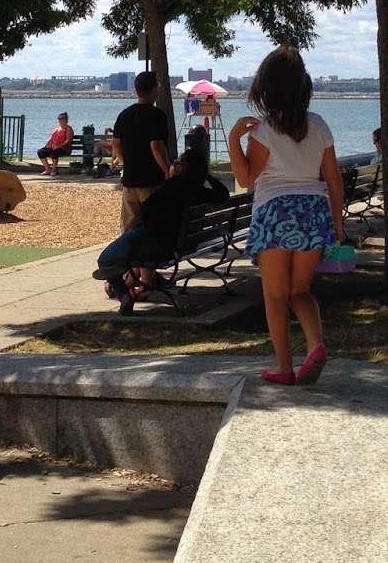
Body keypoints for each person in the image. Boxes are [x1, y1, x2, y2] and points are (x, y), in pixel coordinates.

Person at [227, 47, 343, 387]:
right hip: (313, 211)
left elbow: (246, 178)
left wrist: (234, 138)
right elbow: (333, 179)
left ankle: (283, 366)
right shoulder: (319, 125)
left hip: (275, 212)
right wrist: (336, 224)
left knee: (275, 295)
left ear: (267, 89)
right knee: (299, 291)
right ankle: (315, 346)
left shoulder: (262, 131)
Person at [95, 127, 230, 313]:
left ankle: (123, 293)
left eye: (178, 161)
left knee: (105, 260)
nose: (174, 163)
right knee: (122, 254)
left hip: (157, 242)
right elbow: (223, 194)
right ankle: (126, 283)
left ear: (184, 167)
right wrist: (206, 175)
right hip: (180, 243)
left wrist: (171, 177)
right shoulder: (198, 191)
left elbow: (147, 212)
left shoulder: (171, 188)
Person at [111, 71, 171, 231]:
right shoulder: (157, 115)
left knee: (129, 226)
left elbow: (115, 142)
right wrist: (167, 170)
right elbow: (156, 147)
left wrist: (125, 161)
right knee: (154, 224)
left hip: (130, 179)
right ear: (153, 89)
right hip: (151, 179)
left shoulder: (125, 115)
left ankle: (129, 254)